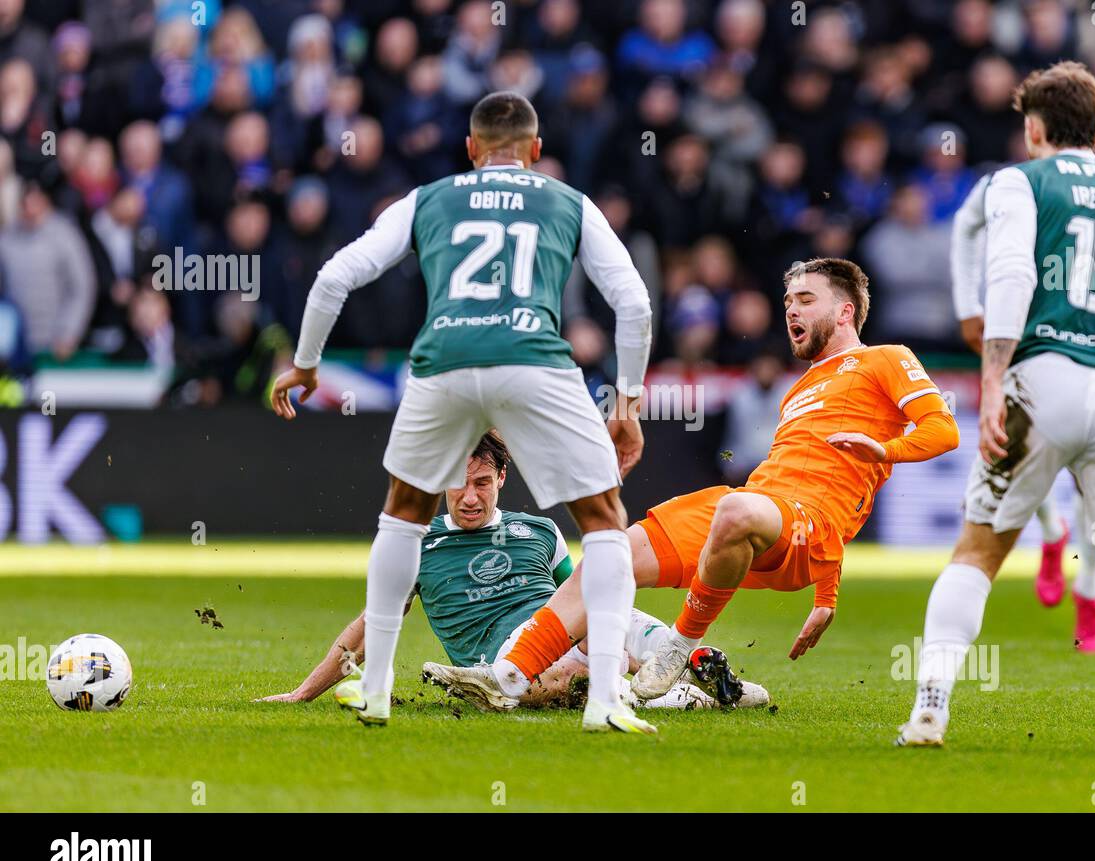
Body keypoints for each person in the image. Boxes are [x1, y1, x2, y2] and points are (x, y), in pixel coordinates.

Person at [269, 92, 656, 735]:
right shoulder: (570, 202)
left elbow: (335, 276)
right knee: (606, 524)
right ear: (535, 152)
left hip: (443, 359)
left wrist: (308, 363)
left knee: (403, 516)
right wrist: (629, 401)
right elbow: (635, 304)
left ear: (470, 150)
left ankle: (376, 690)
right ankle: (606, 702)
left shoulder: (429, 197)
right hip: (535, 359)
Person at [426, 257, 960, 709]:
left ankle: (680, 647)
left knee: (737, 512)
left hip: (800, 526)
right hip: (761, 505)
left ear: (845, 311)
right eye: (788, 300)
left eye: (805, 299)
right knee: (615, 552)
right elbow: (829, 479)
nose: (791, 309)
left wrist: (885, 450)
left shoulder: (887, 359)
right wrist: (828, 591)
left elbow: (944, 430)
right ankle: (509, 678)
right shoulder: (801, 389)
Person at [898, 62, 1095, 748]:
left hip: (1044, 378)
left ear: (1034, 130)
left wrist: (989, 381)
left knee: (977, 555)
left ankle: (929, 708)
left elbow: (1011, 273)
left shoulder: (1021, 180)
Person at [257, 432, 769, 712]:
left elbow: (582, 595)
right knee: (573, 673)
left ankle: (700, 671)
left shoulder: (540, 531)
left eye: (482, 482)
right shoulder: (416, 545)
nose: (470, 496)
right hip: (506, 658)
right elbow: (369, 627)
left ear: (502, 477)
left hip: (564, 634)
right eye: (457, 485)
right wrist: (305, 692)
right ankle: (668, 693)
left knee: (613, 613)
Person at [951, 167, 1095, 652]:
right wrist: (967, 307)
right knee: (1016, 449)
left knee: (1091, 484)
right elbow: (965, 226)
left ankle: (1088, 595)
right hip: (1021, 338)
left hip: (1086, 340)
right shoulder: (1011, 183)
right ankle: (1051, 531)